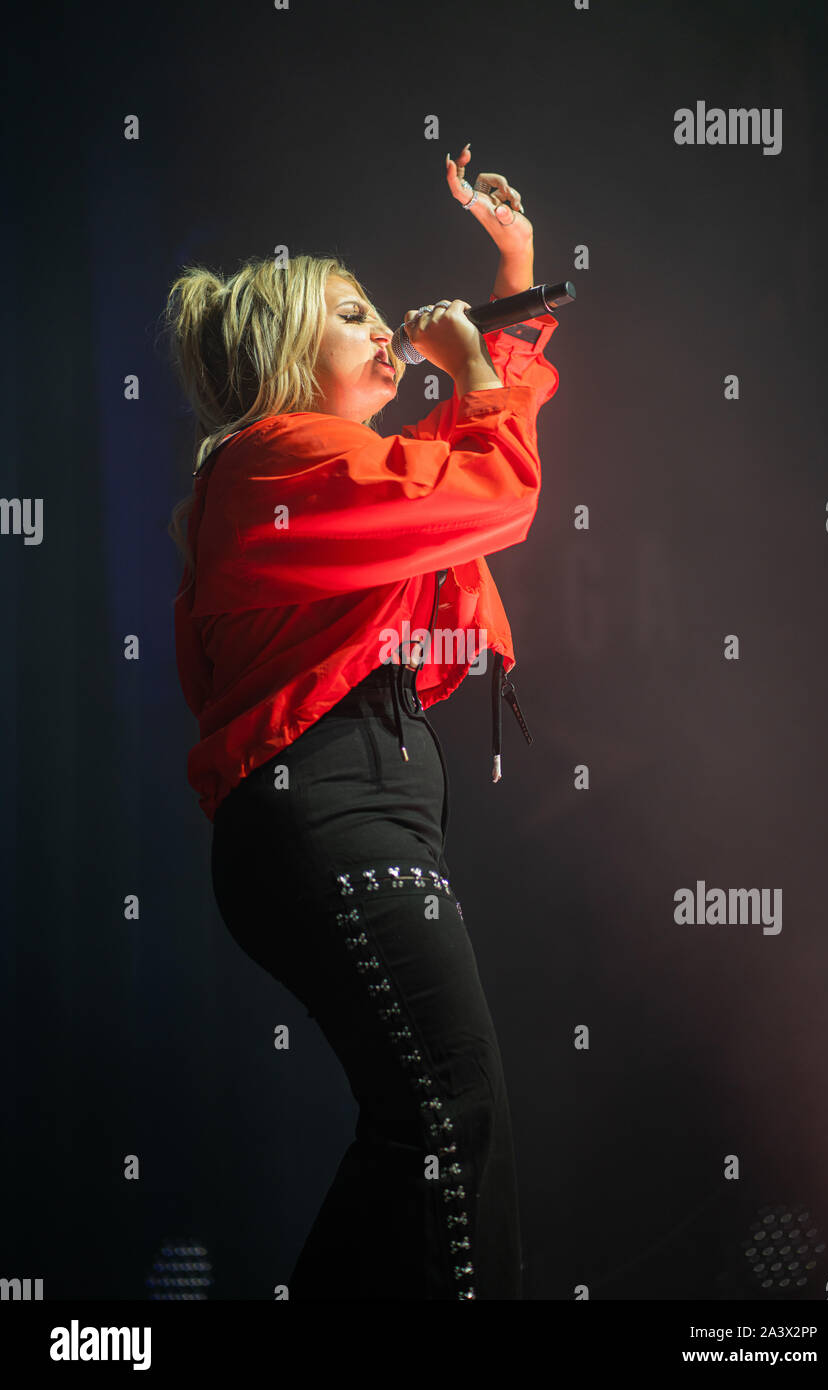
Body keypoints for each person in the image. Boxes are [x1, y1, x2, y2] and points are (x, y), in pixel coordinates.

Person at [165, 144, 560, 1299]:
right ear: (291, 352)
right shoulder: (277, 463)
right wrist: (473, 364)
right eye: (353, 317)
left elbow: (467, 457)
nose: (387, 333)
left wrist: (514, 276)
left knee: (426, 1125)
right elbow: (495, 488)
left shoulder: (331, 464)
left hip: (350, 812)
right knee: (449, 1115)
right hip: (328, 808)